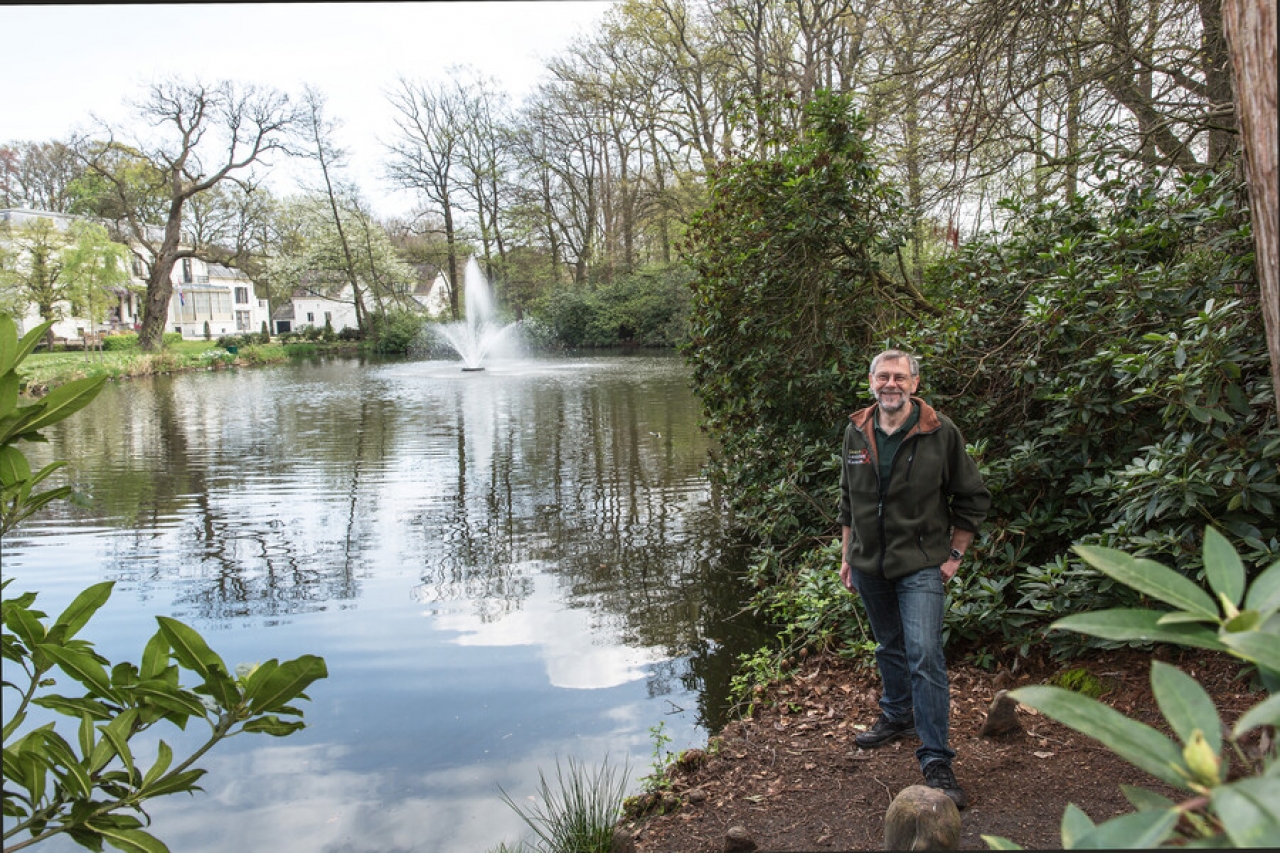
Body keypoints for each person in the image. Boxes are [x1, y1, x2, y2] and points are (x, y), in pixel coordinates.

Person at [837, 349, 991, 809]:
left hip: (922, 564)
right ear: (870, 381)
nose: (891, 384)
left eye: (899, 377)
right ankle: (898, 716)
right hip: (868, 565)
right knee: (889, 645)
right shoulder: (855, 430)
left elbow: (972, 496)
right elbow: (849, 499)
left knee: (924, 653)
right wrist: (848, 556)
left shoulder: (939, 432)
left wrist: (955, 555)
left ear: (914, 383)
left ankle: (937, 761)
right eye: (883, 376)